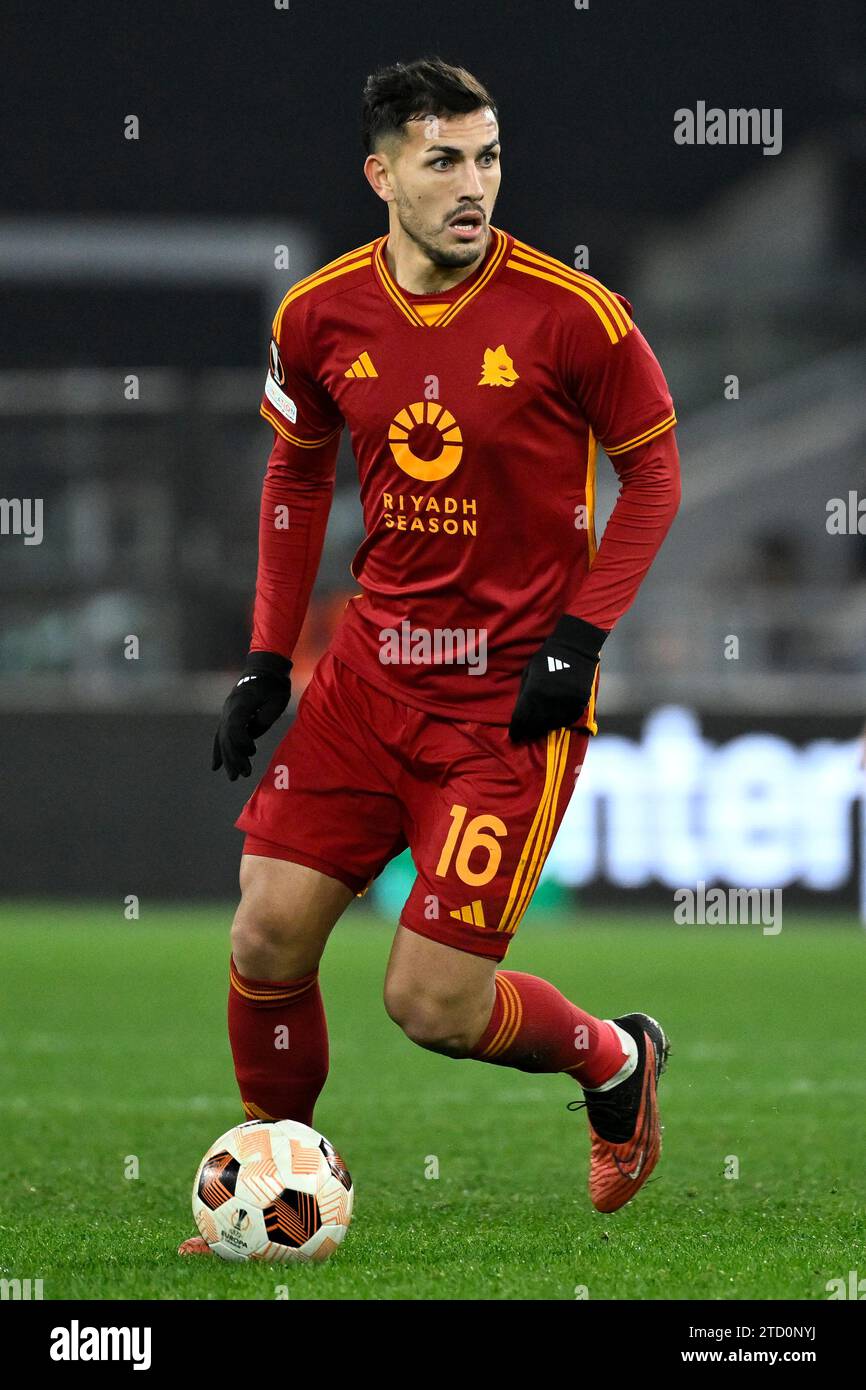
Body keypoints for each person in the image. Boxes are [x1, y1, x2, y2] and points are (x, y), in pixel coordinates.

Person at [182, 55, 680, 1253]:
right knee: (264, 933)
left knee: (433, 1004)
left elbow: (653, 475)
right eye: (443, 160)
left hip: (504, 702)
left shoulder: (574, 315)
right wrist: (264, 659)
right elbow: (297, 472)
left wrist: (578, 637)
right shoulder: (317, 315)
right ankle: (276, 1178)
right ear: (381, 173)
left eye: (489, 156)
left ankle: (616, 1060)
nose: (474, 185)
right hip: (368, 676)